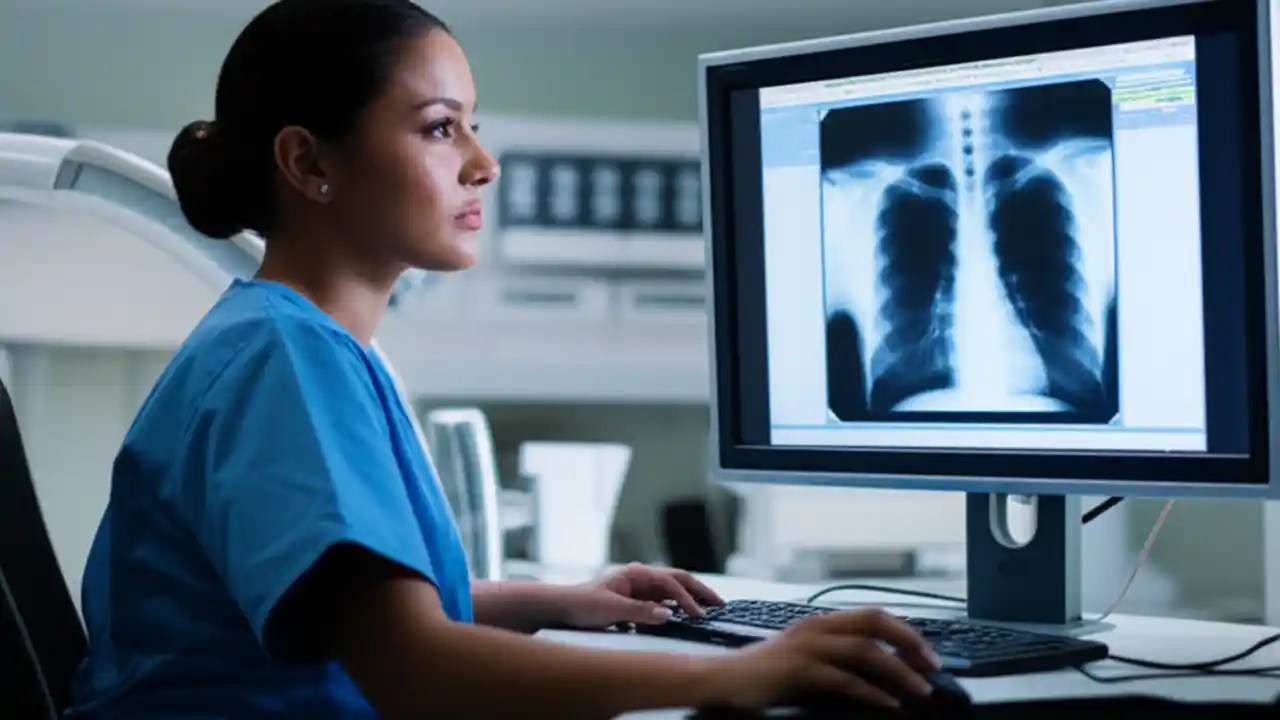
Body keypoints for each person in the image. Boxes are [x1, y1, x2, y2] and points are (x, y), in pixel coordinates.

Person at [65, 1, 941, 718]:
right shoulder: (284, 360)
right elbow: (415, 671)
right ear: (308, 161)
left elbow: (359, 615)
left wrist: (558, 599)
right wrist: (736, 675)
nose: (483, 164)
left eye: (472, 127)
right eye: (441, 130)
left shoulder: (286, 340)